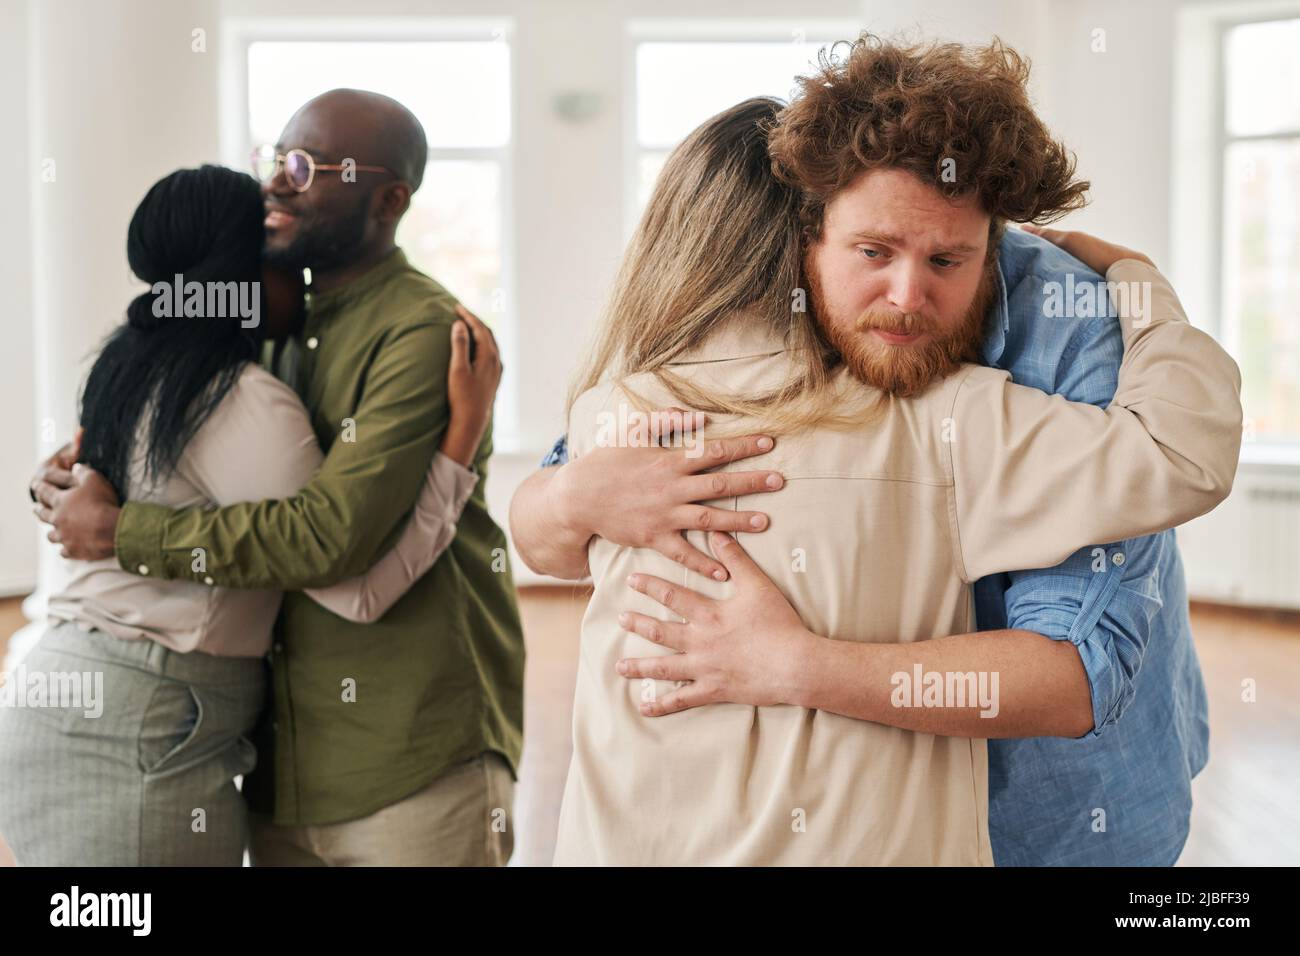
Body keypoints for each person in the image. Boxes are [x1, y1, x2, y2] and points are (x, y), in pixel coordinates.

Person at [514, 75, 1240, 862]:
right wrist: (569, 494)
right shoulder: (642, 403)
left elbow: (1077, 677)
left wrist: (800, 666)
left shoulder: (1046, 336)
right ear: (806, 237)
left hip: (1071, 814)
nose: (905, 296)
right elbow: (547, 540)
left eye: (945, 260)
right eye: (871, 251)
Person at [31, 90, 524, 867]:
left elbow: (329, 541)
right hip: (265, 759)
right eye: (276, 160)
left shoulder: (422, 330)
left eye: (307, 166)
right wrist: (70, 477)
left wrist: (121, 529)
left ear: (390, 198)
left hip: (405, 754)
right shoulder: (263, 336)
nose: (278, 183)